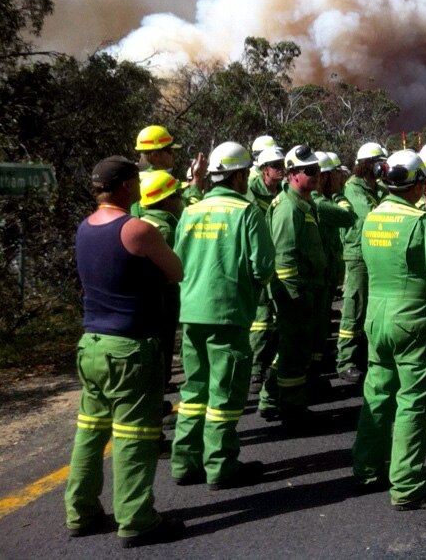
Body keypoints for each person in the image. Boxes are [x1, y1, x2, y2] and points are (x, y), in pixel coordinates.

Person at [65, 156, 185, 548]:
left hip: (92, 345)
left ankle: (80, 511)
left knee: (90, 431)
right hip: (130, 348)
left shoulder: (84, 228)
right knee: (134, 435)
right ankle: (136, 519)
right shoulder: (137, 229)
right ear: (126, 187)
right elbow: (175, 270)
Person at [171, 142, 274, 489]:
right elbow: (262, 267)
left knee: (193, 391)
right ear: (241, 175)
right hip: (228, 313)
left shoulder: (191, 210)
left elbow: (177, 259)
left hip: (191, 312)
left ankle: (184, 463)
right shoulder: (246, 212)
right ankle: (220, 466)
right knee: (225, 395)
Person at [352, 151, 426, 510]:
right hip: (412, 320)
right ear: (416, 184)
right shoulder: (419, 222)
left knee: (377, 393)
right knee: (413, 402)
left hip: (376, 318)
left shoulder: (371, 217)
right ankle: (406, 483)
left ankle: (367, 468)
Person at [259, 145, 327, 428]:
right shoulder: (288, 208)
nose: (316, 175)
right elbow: (284, 256)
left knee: (291, 347)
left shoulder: (301, 202)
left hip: (303, 289)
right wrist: (295, 294)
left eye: (317, 170)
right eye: (310, 171)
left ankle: (271, 398)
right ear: (293, 175)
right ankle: (291, 407)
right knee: (293, 349)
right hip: (293, 292)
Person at [336, 142, 388, 385]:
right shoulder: (354, 189)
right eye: (378, 162)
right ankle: (345, 361)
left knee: (369, 310)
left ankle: (365, 356)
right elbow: (372, 216)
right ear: (367, 164)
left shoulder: (374, 188)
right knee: (354, 308)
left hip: (372, 254)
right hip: (357, 255)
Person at [310, 150, 355, 390]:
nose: (340, 180)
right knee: (313, 335)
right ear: (325, 177)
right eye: (336, 175)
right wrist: (339, 195)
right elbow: (349, 217)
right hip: (318, 278)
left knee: (318, 333)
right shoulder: (321, 203)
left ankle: (312, 381)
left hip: (324, 277)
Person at [137, 170, 184, 392]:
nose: (181, 200)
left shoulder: (140, 223)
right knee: (163, 343)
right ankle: (159, 391)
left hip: (145, 298)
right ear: (166, 200)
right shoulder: (166, 229)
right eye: (177, 195)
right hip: (163, 296)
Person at [247, 145, 286, 386]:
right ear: (263, 170)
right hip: (259, 262)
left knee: (277, 319)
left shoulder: (282, 192)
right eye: (275, 166)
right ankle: (255, 369)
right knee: (261, 319)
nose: (280, 170)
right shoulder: (250, 194)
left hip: (279, 262)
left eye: (282, 166)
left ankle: (271, 368)